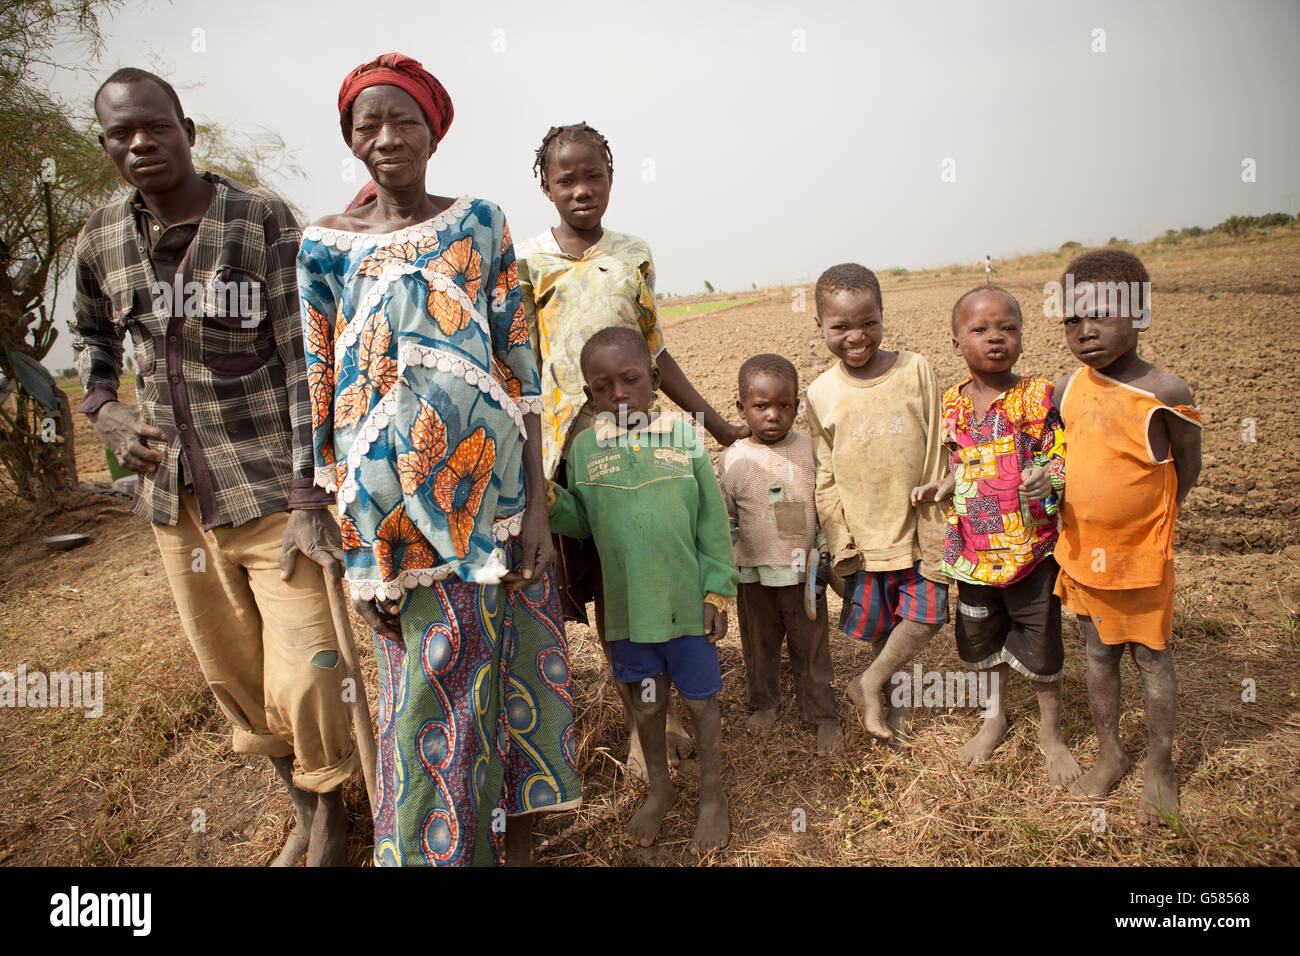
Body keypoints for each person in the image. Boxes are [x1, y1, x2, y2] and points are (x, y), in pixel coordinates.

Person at [298, 53, 579, 865]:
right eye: (368, 125)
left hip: (488, 500)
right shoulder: (324, 247)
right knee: (424, 688)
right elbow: (318, 388)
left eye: (405, 121)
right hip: (387, 517)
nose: (388, 138)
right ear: (350, 140)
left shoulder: (480, 222)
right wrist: (340, 528)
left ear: (433, 130)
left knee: (511, 669)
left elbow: (522, 373)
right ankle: (434, 851)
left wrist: (533, 506)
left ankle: (514, 837)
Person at [70, 68, 355, 866]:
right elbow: (90, 344)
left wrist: (309, 492)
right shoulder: (99, 240)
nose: (140, 144)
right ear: (106, 147)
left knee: (310, 667)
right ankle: (301, 809)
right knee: (231, 671)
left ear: (188, 131)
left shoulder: (260, 219)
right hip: (175, 501)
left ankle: (333, 817)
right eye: (122, 135)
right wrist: (108, 411)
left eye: (154, 127)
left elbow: (308, 363)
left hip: (269, 488)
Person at [516, 122, 747, 781]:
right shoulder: (527, 262)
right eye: (567, 179)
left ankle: (669, 706)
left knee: (647, 575)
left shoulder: (634, 254)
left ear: (611, 178)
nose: (582, 189)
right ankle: (643, 715)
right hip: (569, 453)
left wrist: (716, 424)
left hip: (639, 446)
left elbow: (655, 351)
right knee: (603, 593)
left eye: (594, 175)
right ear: (546, 187)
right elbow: (519, 362)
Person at [546, 327, 738, 854]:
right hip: (630, 615)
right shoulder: (585, 450)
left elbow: (712, 526)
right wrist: (548, 498)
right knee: (649, 705)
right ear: (590, 396)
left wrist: (717, 592)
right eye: (603, 387)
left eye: (630, 380)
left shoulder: (682, 439)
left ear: (653, 380)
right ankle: (660, 790)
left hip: (685, 611)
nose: (619, 395)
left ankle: (712, 796)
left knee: (701, 704)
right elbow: (583, 522)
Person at [1051, 249, 1201, 824]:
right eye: (1071, 318)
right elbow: (1072, 460)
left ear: (1139, 316)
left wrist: (1156, 519)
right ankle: (1110, 752)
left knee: (1152, 661)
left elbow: (1187, 466)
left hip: (1141, 561)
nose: (1085, 330)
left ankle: (1160, 764)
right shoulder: (1069, 387)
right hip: (1083, 554)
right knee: (1096, 655)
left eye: (1102, 314)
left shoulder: (1163, 391)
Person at [910, 287, 1080, 785]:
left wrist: (1049, 476)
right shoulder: (953, 404)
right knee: (979, 638)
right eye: (981, 330)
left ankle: (1051, 732)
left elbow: (1061, 456)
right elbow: (960, 464)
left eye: (1007, 328)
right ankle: (993, 718)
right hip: (974, 554)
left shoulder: (1038, 396)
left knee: (1042, 639)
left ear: (1022, 337)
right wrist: (939, 486)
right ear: (957, 342)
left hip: (1031, 549)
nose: (995, 339)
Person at [805, 263, 949, 746]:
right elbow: (826, 473)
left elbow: (937, 447)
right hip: (865, 534)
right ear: (820, 327)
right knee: (881, 624)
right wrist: (838, 534)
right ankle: (890, 700)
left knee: (927, 614)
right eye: (841, 326)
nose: (856, 336)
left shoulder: (915, 369)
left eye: (868, 322)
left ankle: (867, 682)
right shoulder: (821, 393)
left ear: (883, 315)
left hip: (917, 527)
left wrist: (937, 523)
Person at [717, 354, 842, 755]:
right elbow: (728, 520)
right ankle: (764, 703)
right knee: (759, 645)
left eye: (784, 405)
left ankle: (822, 715)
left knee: (812, 647)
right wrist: (731, 564)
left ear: (797, 406)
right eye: (761, 406)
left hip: (804, 575)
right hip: (754, 577)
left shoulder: (809, 450)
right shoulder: (734, 459)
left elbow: (824, 507)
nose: (774, 415)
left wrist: (824, 553)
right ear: (741, 408)